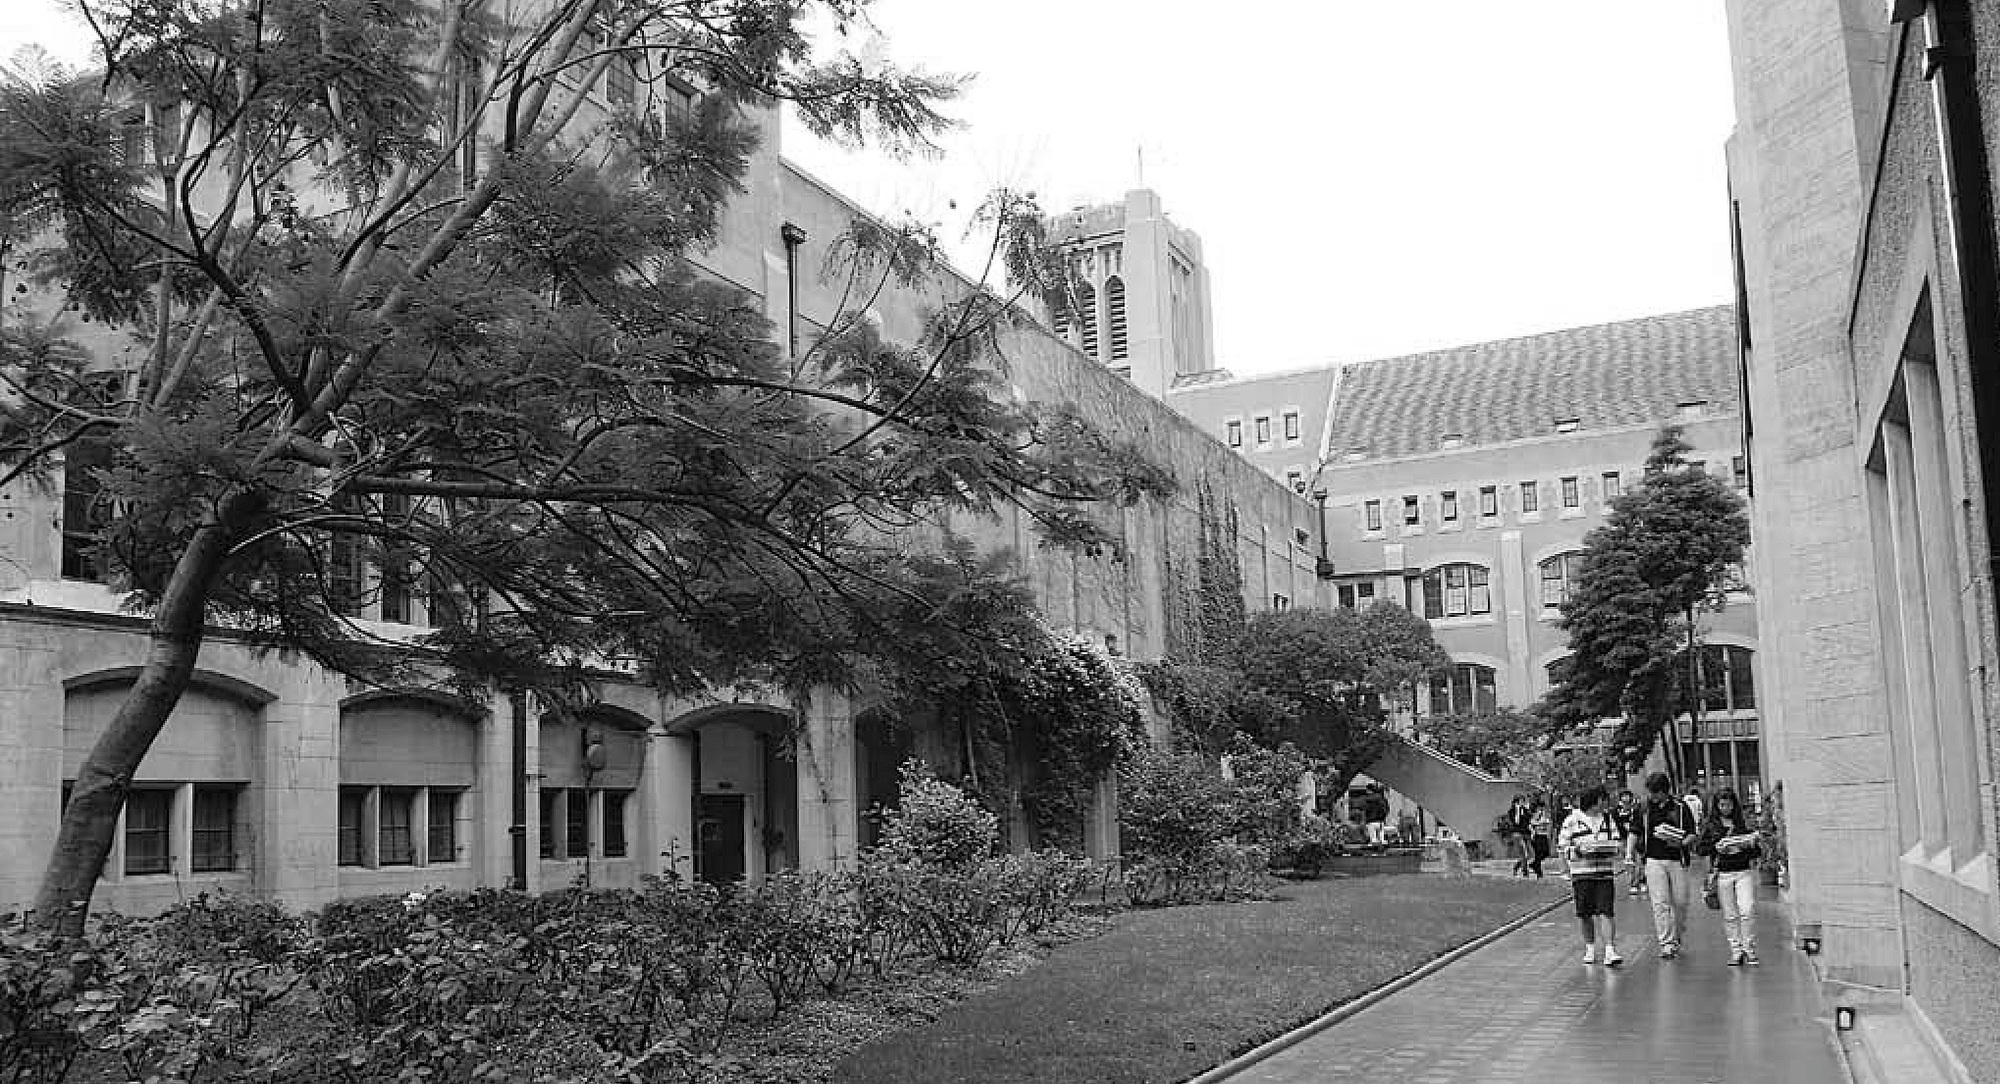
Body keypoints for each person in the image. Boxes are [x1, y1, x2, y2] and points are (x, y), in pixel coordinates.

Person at [1629, 772, 1700, 959]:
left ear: (1664, 791)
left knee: (1681, 901)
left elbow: (1692, 833)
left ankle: (1677, 935)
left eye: (1655, 793)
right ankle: (1666, 943)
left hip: (1677, 859)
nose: (1652, 796)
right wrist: (1629, 854)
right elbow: (1634, 831)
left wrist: (1681, 842)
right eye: (1650, 792)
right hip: (1653, 859)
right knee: (1660, 902)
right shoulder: (1643, 808)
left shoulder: (1680, 807)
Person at [1697, 788, 1764, 965]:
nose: (1726, 808)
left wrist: (1746, 845)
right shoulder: (1711, 825)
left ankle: (1749, 948)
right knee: (1730, 914)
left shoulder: (1742, 824)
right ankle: (1736, 950)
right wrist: (1716, 846)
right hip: (1723, 873)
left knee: (1747, 909)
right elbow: (1700, 848)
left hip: (1743, 871)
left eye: (1729, 804)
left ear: (1734, 805)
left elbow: (1757, 851)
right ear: (1717, 806)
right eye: (1722, 805)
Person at [1561, 785, 1625, 966]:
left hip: (1604, 872)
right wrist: (1579, 851)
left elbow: (1617, 842)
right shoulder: (1572, 820)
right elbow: (1563, 847)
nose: (1606, 804)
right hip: (1582, 873)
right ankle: (1590, 947)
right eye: (1603, 800)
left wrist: (1612, 848)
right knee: (1585, 913)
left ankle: (1610, 950)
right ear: (1594, 801)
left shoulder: (1608, 819)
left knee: (1606, 911)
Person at [1613, 790, 1647, 896]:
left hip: (1637, 838)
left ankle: (1641, 881)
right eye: (1624, 797)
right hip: (1624, 839)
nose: (1626, 800)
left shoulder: (1636, 810)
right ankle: (1634, 882)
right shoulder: (1615, 812)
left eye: (1628, 797)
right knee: (1629, 861)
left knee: (1639, 860)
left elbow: (1639, 824)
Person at [1498, 795, 1532, 876]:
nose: (1523, 803)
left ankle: (1516, 867)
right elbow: (1516, 822)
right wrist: (1518, 811)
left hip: (1526, 833)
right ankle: (1525, 871)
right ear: (1516, 802)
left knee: (1529, 854)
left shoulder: (1526, 810)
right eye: (1521, 801)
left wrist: (1526, 811)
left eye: (1523, 801)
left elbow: (1529, 821)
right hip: (1517, 833)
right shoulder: (1511, 812)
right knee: (1523, 853)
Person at [1527, 798, 1552, 879]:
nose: (1542, 808)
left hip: (1544, 835)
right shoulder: (1537, 814)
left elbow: (1548, 822)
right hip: (1538, 835)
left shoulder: (1545, 814)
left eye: (1543, 807)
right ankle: (1539, 873)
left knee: (1545, 853)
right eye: (1541, 807)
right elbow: (1531, 823)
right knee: (1539, 854)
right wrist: (1541, 823)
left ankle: (1534, 865)